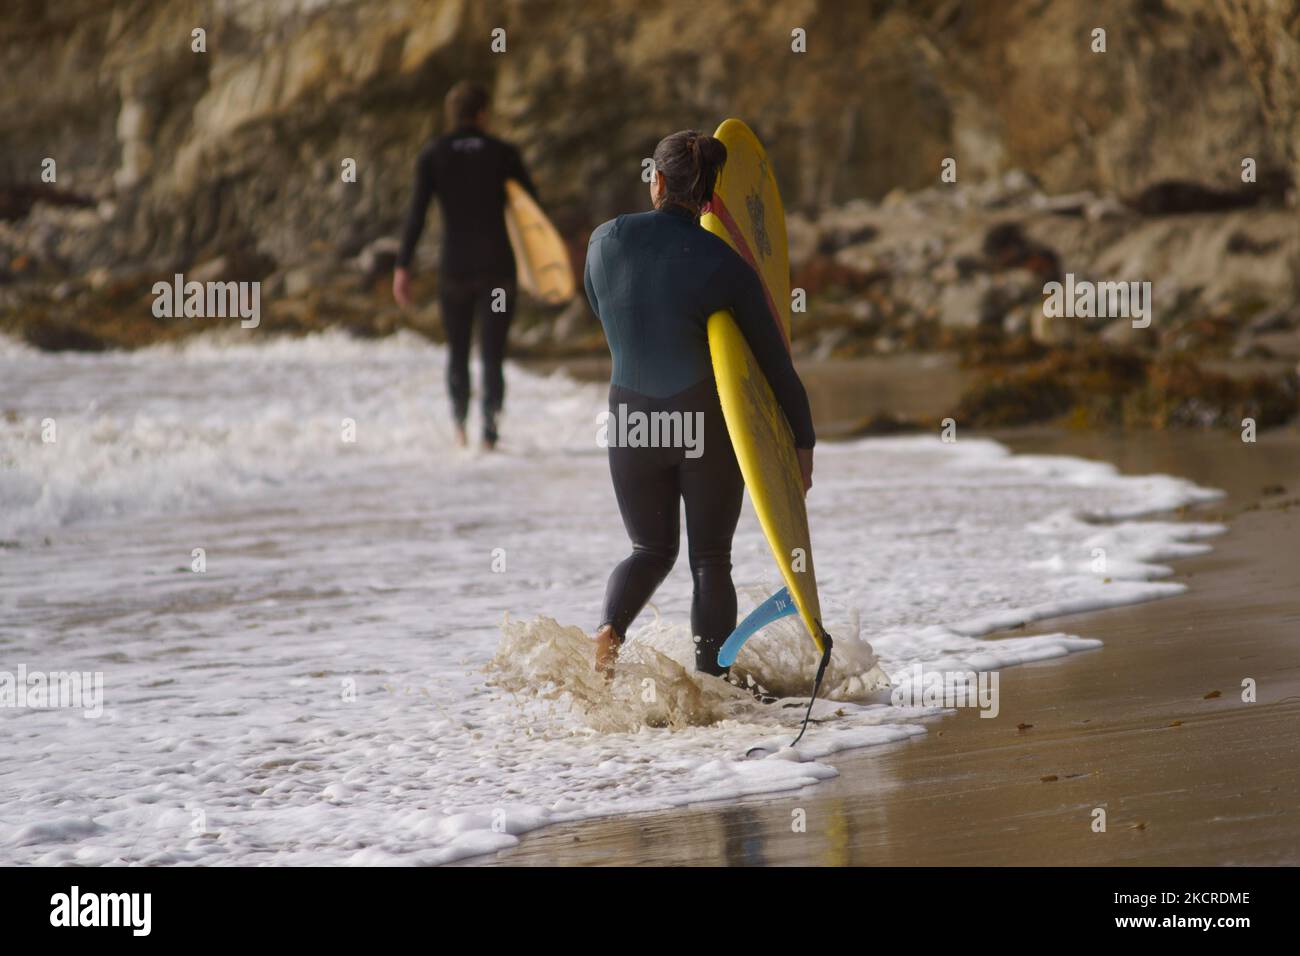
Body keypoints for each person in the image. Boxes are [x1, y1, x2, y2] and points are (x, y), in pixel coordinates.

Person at [583, 129, 816, 679]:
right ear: (711, 199)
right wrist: (801, 444)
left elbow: (601, 308)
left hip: (630, 419)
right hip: (702, 423)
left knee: (649, 549)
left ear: (656, 181)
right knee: (710, 561)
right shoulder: (725, 264)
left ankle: (608, 634)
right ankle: (713, 685)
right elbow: (775, 363)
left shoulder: (605, 240)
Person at [393, 80, 537, 449]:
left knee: (457, 351)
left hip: (454, 269)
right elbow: (530, 211)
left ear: (452, 115)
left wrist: (403, 267)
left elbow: (416, 216)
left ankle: (459, 431)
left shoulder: (433, 155)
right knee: (492, 355)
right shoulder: (503, 153)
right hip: (497, 269)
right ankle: (489, 436)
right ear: (483, 114)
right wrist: (542, 266)